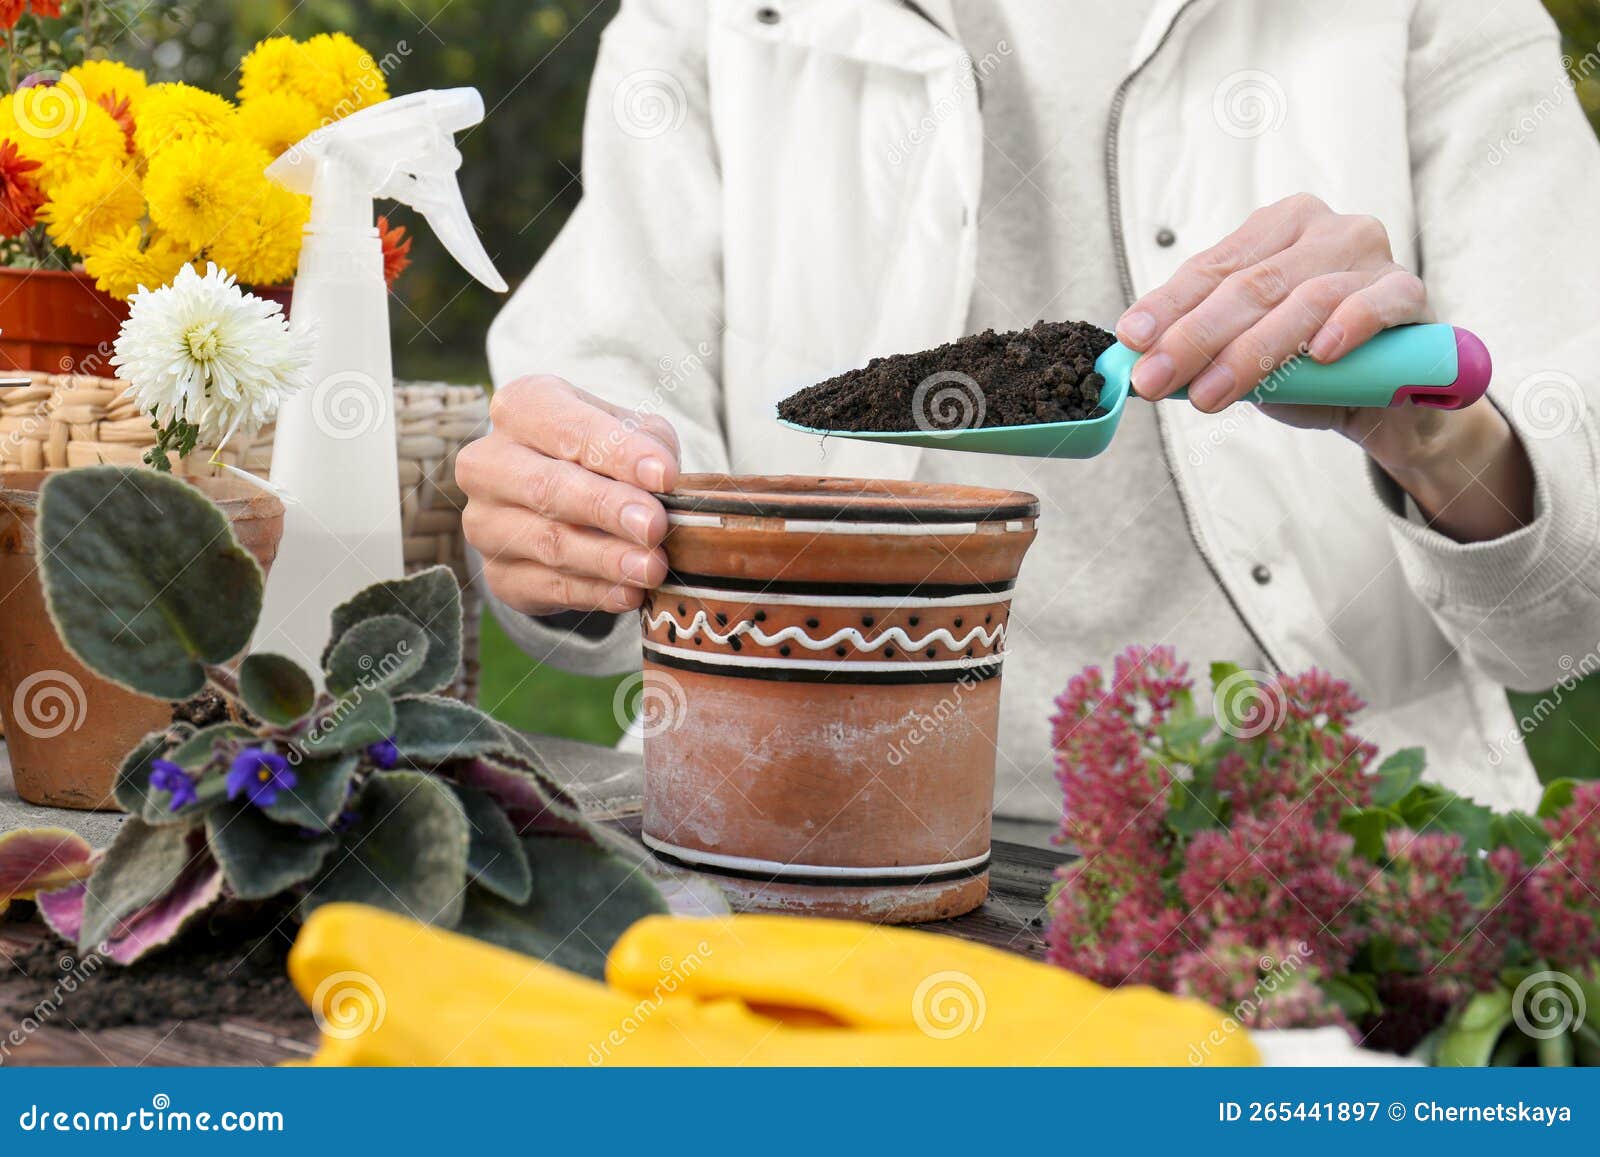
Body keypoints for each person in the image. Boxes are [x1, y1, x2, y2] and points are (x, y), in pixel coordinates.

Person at [457, 0, 1600, 821]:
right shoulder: (707, 23)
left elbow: (1566, 614)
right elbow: (608, 414)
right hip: (802, 847)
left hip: (1317, 861)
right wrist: (577, 509)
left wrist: (1432, 434)